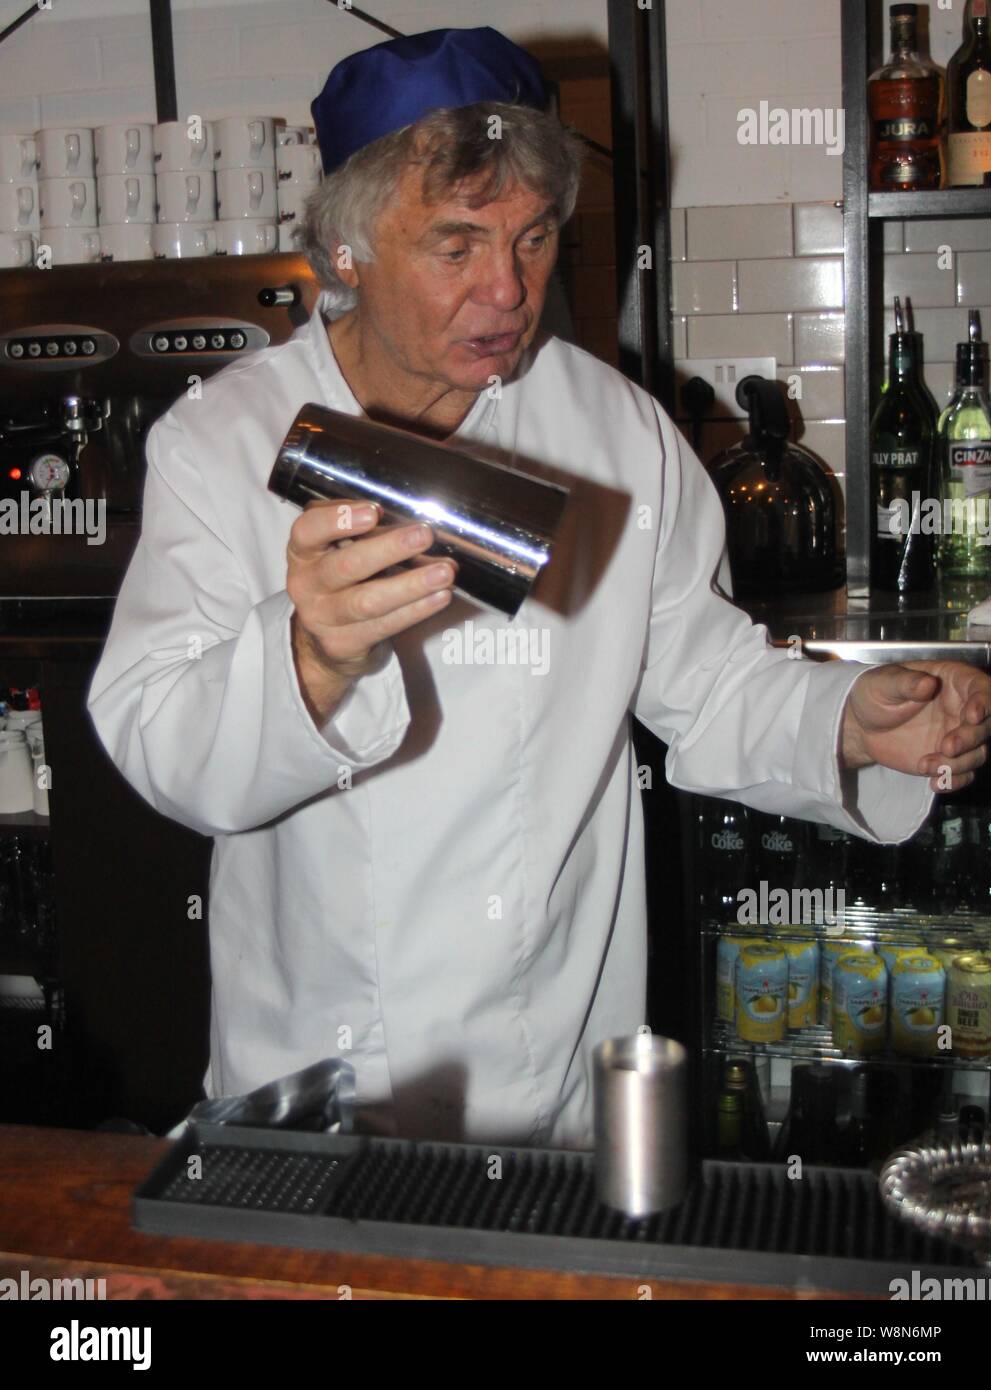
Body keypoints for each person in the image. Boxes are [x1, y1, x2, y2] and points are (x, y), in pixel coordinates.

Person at [87, 27, 991, 1148]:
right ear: (348, 251)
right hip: (326, 1085)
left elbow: (705, 684)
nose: (507, 289)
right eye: (456, 246)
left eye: (533, 237)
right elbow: (156, 737)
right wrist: (307, 661)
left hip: (564, 1076)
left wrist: (848, 720)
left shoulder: (614, 431)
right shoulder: (224, 443)